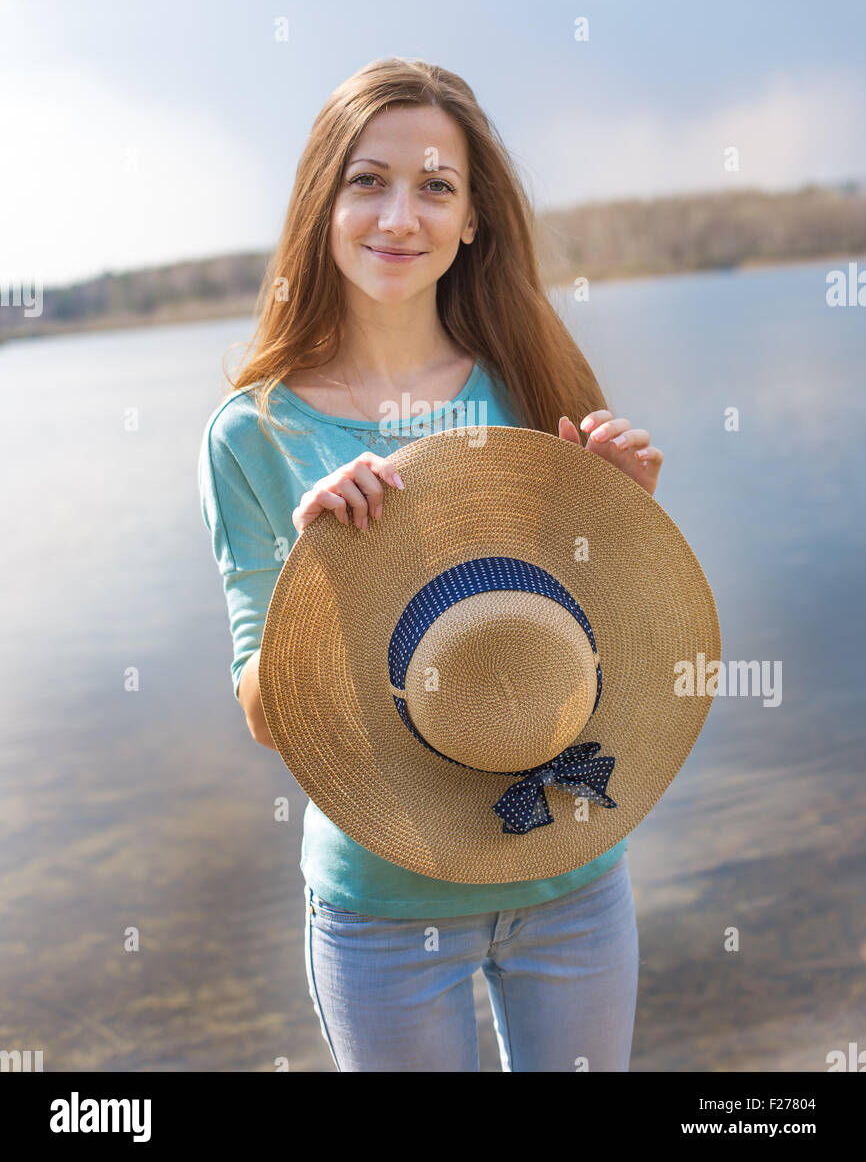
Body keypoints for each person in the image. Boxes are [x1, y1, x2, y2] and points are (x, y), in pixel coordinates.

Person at [198, 56, 664, 1072]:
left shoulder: (529, 380)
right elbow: (266, 716)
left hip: (570, 878)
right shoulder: (254, 435)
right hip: (380, 911)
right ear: (321, 204)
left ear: (471, 221)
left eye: (434, 185)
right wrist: (311, 584)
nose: (397, 215)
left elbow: (597, 649)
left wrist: (621, 525)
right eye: (367, 180)